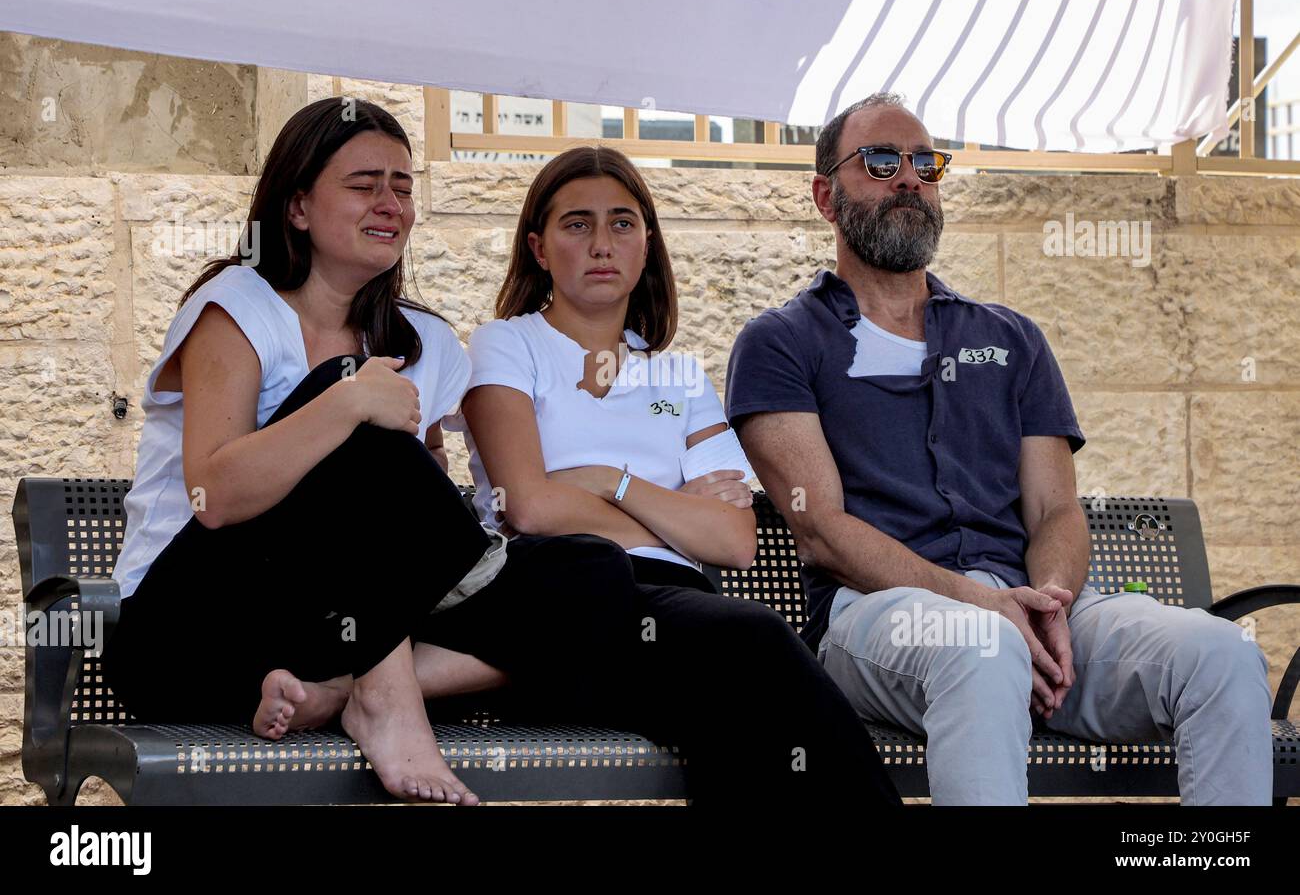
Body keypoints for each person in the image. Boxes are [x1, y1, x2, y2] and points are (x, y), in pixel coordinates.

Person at [725, 92, 1274, 805]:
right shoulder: (782, 343)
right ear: (826, 196)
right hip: (881, 613)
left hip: (1036, 611)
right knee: (982, 649)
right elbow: (822, 529)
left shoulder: (1011, 339)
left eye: (927, 164)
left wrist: (1048, 604)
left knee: (1223, 654)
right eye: (882, 161)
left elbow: (1054, 510)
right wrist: (979, 605)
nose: (910, 180)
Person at [101, 98, 636, 805]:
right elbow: (215, 497)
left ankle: (346, 690)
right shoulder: (238, 304)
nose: (391, 204)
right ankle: (387, 702)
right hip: (187, 632)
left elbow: (409, 510)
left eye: (404, 186)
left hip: (307, 652)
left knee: (596, 572)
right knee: (348, 391)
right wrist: (346, 404)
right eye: (364, 185)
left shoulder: (429, 342)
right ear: (297, 206)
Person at [428, 144, 902, 806]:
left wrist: (607, 481)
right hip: (560, 612)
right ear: (539, 247)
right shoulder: (506, 345)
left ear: (646, 244)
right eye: (576, 224)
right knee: (756, 645)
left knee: (739, 709)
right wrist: (676, 513)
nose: (601, 243)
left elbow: (735, 541)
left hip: (679, 617)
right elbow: (530, 506)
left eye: (622, 223)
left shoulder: (679, 376)